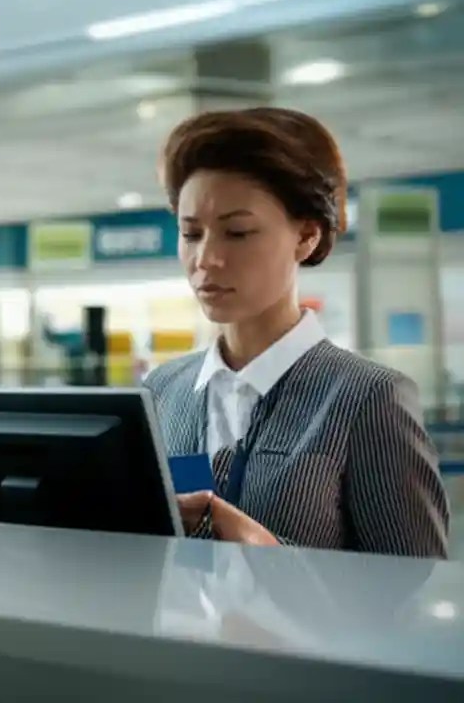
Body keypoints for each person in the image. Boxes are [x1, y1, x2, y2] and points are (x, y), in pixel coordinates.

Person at [144, 107, 449, 558]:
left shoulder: (368, 399)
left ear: (306, 235)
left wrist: (263, 551)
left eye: (238, 232)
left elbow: (411, 592)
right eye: (191, 234)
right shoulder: (163, 391)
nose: (206, 259)